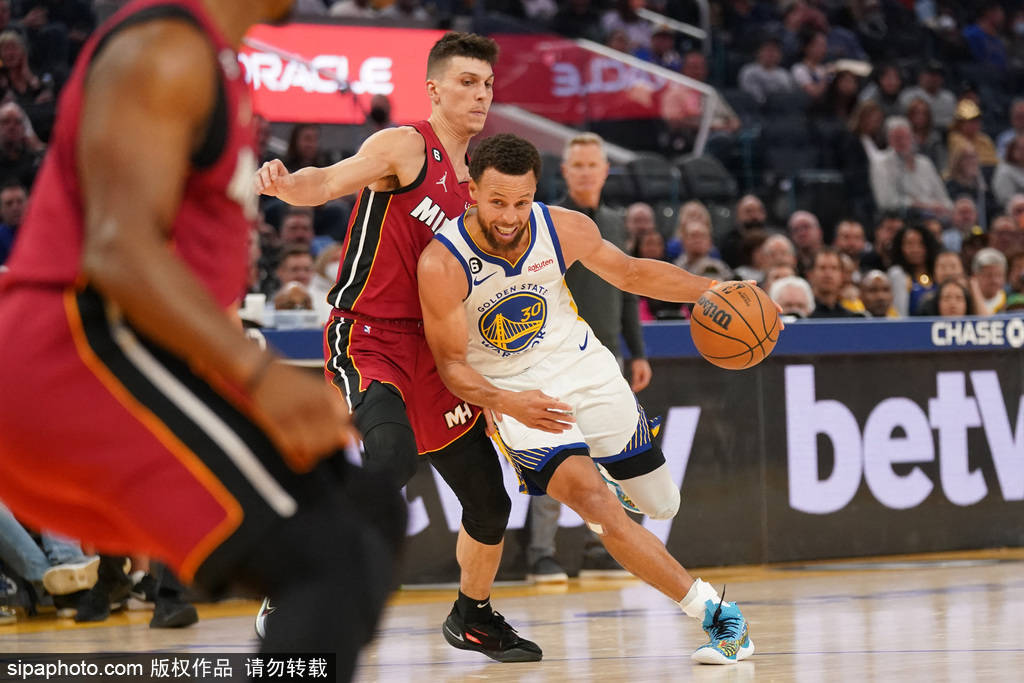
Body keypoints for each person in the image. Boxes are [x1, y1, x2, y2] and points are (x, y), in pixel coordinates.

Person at [0, 0, 406, 677]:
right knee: (331, 553)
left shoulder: (217, 61)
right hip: (74, 353)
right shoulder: (165, 48)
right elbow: (118, 249)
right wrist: (257, 375)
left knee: (366, 510)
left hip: (130, 347)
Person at [419, 133, 762, 665]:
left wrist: (707, 290)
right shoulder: (442, 263)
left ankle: (620, 479)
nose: (510, 216)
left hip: (586, 368)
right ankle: (720, 618)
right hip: (520, 396)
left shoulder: (564, 227)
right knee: (597, 506)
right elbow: (452, 367)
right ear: (473, 192)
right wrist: (505, 404)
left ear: (536, 192)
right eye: (497, 202)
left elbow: (631, 273)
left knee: (661, 504)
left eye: (521, 202)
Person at [255, 32, 543, 663]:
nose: (481, 94)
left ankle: (472, 616)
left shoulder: (485, 184)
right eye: (467, 81)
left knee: (491, 502)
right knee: (389, 459)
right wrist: (285, 183)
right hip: (369, 336)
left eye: (488, 84)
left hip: (438, 355)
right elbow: (325, 181)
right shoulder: (405, 146)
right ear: (433, 88)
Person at [526, 132, 650, 583]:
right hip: (556, 358)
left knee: (612, 454)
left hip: (607, 358)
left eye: (591, 164)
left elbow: (628, 289)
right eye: (576, 165)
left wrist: (638, 351)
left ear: (605, 170)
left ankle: (601, 549)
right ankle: (542, 553)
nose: (584, 172)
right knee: (555, 455)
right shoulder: (548, 221)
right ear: (565, 171)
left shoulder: (615, 223)